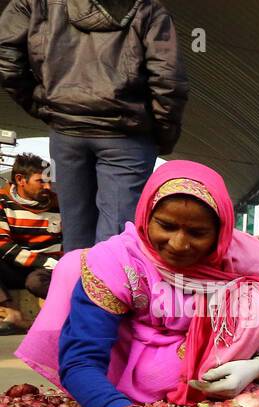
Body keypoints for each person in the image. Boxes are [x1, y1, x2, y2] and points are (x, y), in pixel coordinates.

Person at [16, 160, 259, 407]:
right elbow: (81, 361)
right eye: (165, 225)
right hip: (123, 384)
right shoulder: (119, 263)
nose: (178, 244)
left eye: (197, 233)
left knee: (256, 300)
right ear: (145, 216)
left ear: (221, 233)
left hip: (228, 388)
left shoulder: (246, 259)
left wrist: (257, 367)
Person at [0, 0, 188, 251]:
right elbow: (168, 79)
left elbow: (7, 58)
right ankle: (104, 288)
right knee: (116, 242)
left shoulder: (33, 3)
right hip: (127, 136)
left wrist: (46, 107)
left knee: (75, 235)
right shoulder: (149, 9)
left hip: (66, 132)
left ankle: (73, 288)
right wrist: (161, 136)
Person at [0, 151, 60, 331]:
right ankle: (10, 313)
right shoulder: (3, 202)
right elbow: (3, 245)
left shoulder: (59, 203)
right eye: (40, 181)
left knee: (37, 282)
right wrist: (42, 260)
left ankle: (58, 314)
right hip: (18, 265)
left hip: (49, 269)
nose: (48, 187)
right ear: (20, 179)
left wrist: (52, 263)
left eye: (49, 181)